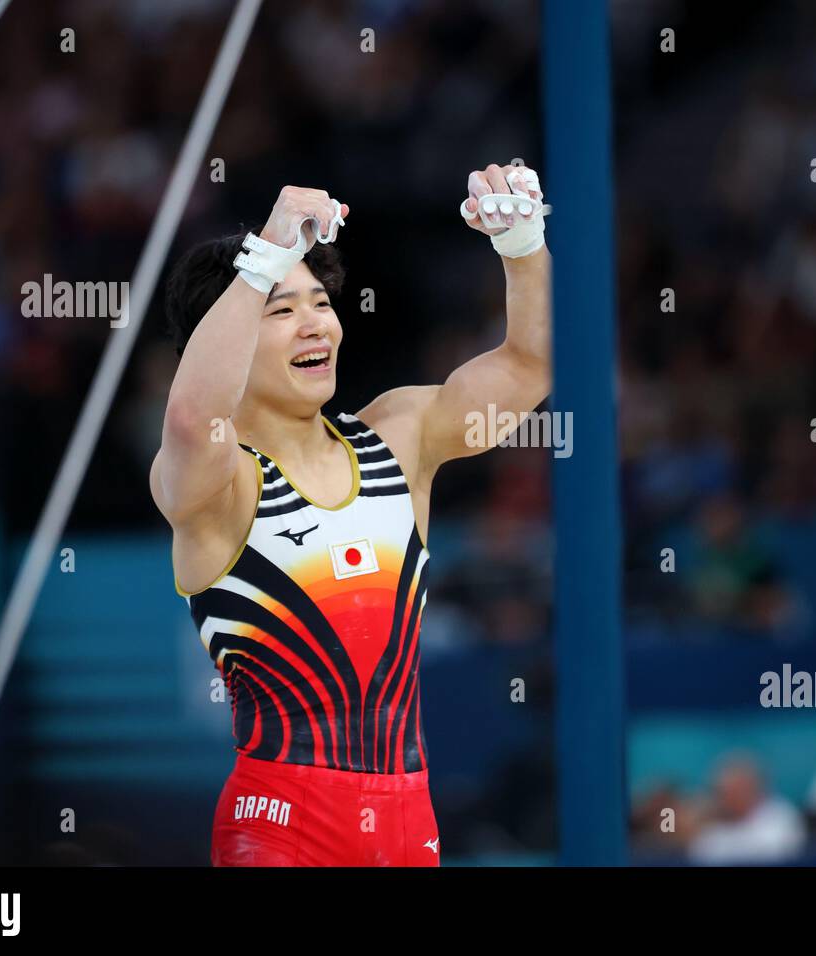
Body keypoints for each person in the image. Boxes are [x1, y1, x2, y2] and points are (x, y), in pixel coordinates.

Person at [151, 164, 550, 865]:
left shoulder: (400, 435)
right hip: (280, 827)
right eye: (282, 309)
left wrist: (522, 246)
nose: (315, 324)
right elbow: (191, 417)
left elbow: (528, 369)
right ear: (233, 336)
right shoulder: (221, 485)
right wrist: (265, 251)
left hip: (408, 821)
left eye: (319, 302)